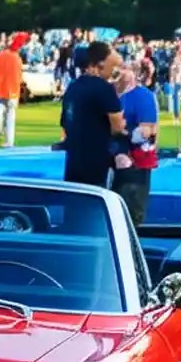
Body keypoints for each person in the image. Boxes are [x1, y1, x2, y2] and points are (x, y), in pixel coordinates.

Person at [59, 42, 126, 187]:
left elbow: (65, 123)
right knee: (94, 205)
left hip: (74, 162)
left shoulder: (72, 88)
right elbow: (118, 126)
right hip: (96, 163)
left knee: (74, 204)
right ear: (100, 64)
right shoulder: (104, 89)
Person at [112, 68, 159, 226]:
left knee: (129, 216)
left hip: (133, 163)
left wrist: (122, 131)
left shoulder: (142, 97)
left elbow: (147, 132)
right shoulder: (105, 94)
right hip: (106, 160)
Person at [0, 32, 27, 147]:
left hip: (2, 93)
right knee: (6, 119)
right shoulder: (15, 58)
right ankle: (4, 141)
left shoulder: (3, 57)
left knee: (0, 119)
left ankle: (0, 141)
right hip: (8, 93)